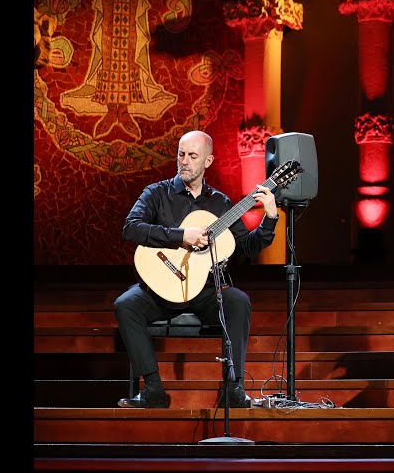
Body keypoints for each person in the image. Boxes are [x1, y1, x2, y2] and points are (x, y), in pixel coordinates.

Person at [114, 130, 279, 408]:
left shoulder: (221, 204)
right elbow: (131, 229)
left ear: (208, 161)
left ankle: (234, 388)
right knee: (125, 305)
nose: (185, 161)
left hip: (204, 291)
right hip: (161, 290)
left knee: (238, 301)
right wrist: (180, 236)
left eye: (193, 156)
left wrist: (270, 217)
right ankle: (153, 389)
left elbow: (247, 248)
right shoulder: (157, 193)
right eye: (181, 154)